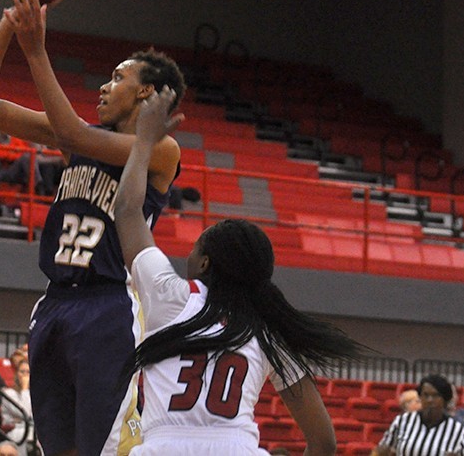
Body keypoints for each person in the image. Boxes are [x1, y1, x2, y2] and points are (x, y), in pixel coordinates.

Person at [0, 0, 184, 455]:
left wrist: (36, 50)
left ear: (145, 92)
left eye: (118, 78)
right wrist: (10, 23)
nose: (104, 86)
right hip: (55, 302)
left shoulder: (160, 149)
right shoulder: (82, 139)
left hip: (109, 307)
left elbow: (72, 133)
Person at [113, 87, 364, 455]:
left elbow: (127, 211)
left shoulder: (171, 296)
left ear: (205, 263)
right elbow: (324, 442)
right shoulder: (268, 329)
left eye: (195, 248)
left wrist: (144, 142)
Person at [372, 374, 464, 456]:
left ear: (445, 400)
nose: (430, 400)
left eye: (435, 395)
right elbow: (381, 451)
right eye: (426, 395)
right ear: (420, 397)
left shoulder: (457, 431)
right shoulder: (403, 421)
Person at [0, 360, 35, 456]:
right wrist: (25, 388)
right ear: (16, 374)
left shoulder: (36, 395)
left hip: (32, 429)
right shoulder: (9, 393)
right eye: (22, 372)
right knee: (27, 435)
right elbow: (26, 413)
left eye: (28, 372)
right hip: (15, 431)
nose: (25, 376)